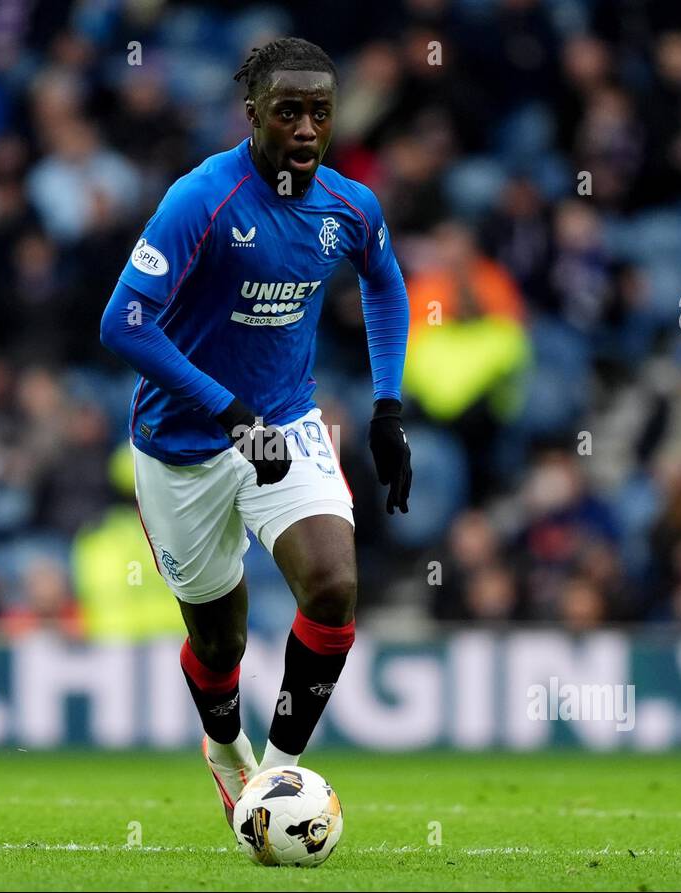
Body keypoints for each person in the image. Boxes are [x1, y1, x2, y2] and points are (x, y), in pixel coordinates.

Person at [100, 37, 412, 825]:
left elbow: (385, 285)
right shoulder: (201, 199)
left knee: (334, 588)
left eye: (321, 113)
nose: (307, 129)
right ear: (253, 114)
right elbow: (123, 324)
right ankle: (225, 747)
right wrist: (229, 413)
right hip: (184, 446)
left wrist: (387, 408)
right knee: (219, 644)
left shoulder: (349, 206)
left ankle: (277, 780)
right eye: (289, 112)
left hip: (285, 424)